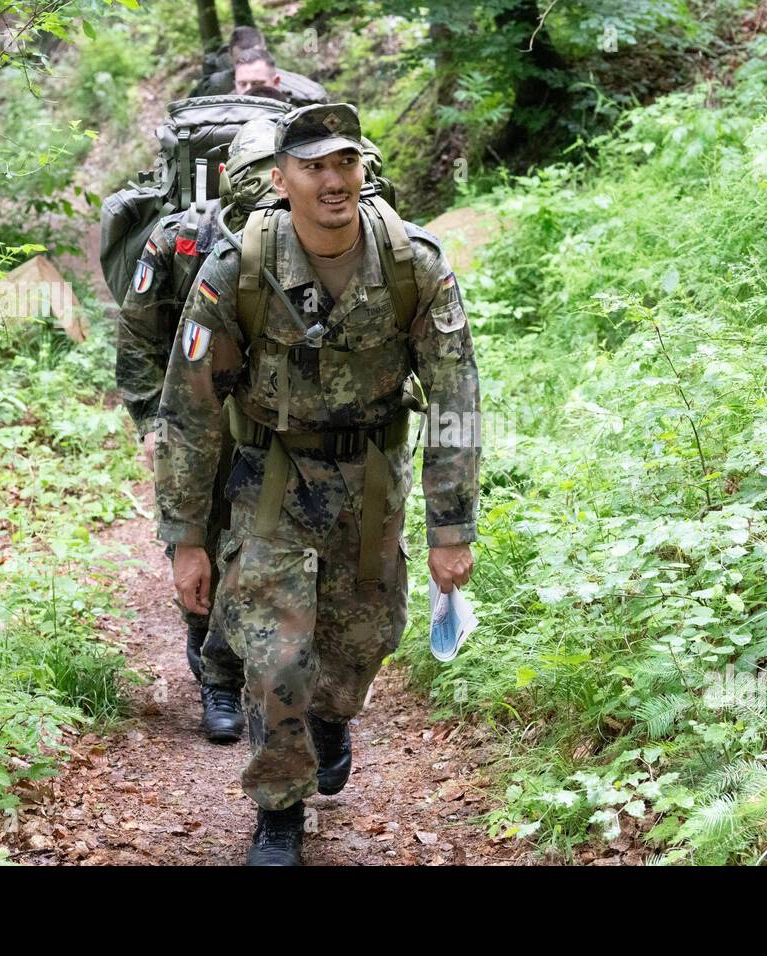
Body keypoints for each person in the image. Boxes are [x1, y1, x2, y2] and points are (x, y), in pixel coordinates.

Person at [154, 103, 481, 865]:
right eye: (314, 167)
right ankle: (278, 815)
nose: (334, 181)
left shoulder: (415, 266)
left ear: (362, 170)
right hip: (271, 478)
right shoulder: (237, 269)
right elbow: (189, 411)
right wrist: (185, 541)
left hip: (373, 485)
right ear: (280, 180)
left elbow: (456, 399)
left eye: (346, 163)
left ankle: (334, 719)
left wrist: (451, 527)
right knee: (275, 658)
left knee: (360, 641)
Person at [116, 197, 247, 744]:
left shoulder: (305, 236)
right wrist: (151, 418)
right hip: (189, 414)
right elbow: (138, 332)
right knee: (198, 535)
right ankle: (210, 656)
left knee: (263, 541)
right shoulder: (179, 238)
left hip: (272, 417)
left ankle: (244, 673)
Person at [192, 25, 327, 105]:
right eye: (241, 60)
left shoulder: (302, 88)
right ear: (230, 54)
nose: (248, 62)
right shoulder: (214, 84)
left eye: (257, 82)